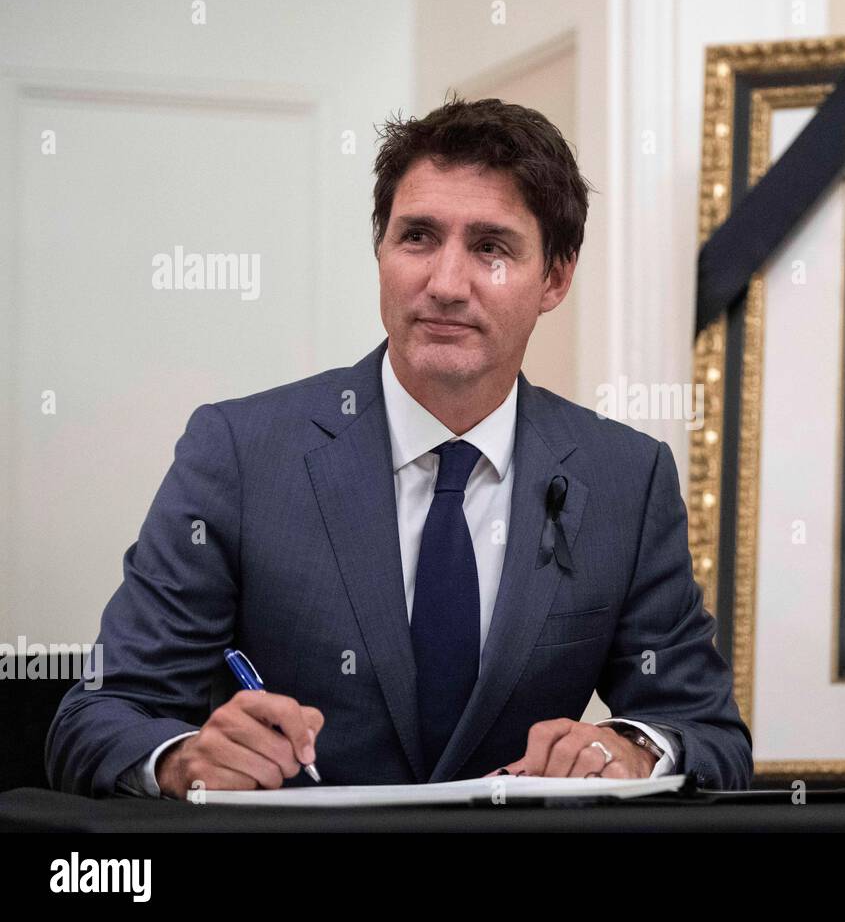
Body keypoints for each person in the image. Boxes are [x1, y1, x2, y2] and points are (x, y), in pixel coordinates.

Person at [46, 96, 752, 798]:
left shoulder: (625, 479)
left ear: (555, 278)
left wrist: (632, 752)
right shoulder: (239, 454)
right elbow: (96, 716)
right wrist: (182, 760)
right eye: (417, 237)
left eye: (490, 248)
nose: (444, 285)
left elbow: (708, 732)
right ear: (381, 250)